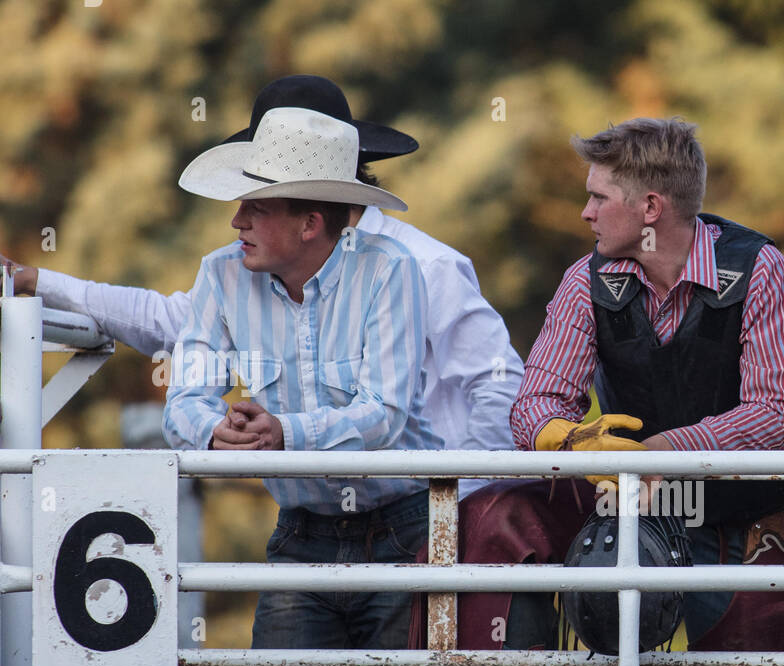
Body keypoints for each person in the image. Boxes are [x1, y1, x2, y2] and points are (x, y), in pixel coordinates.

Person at [456, 116, 784, 666]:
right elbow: (534, 407)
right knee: (496, 515)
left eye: (598, 197)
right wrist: (575, 442)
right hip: (633, 505)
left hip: (744, 515)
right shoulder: (587, 280)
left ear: (650, 206)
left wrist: (663, 451)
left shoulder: (762, 269)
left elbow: (782, 416)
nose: (585, 213)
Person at [1, 76, 522, 496]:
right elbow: (172, 322)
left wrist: (467, 505)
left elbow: (497, 385)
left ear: (309, 214)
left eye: (261, 193)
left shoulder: (427, 268)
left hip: (423, 517)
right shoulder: (252, 275)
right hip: (333, 519)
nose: (240, 217)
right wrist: (39, 280)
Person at [160, 104, 436, 666]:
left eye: (255, 209)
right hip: (302, 532)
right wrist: (217, 429)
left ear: (310, 223)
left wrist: (282, 432)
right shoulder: (220, 274)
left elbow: (384, 415)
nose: (237, 222)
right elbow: (184, 397)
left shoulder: (390, 270)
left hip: (402, 532)